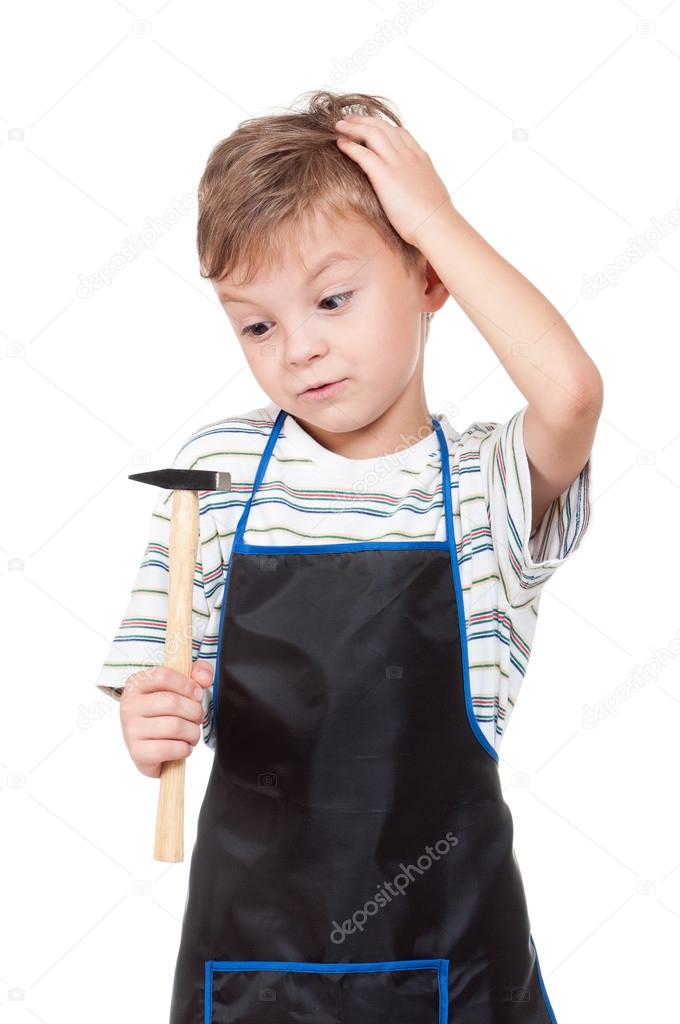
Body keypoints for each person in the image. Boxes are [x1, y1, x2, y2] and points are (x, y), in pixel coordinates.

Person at [96, 89, 601, 1022]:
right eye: (257, 324)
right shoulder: (216, 476)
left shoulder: (486, 485)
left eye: (333, 297)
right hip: (249, 972)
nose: (300, 349)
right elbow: (155, 691)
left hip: (457, 969)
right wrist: (150, 719)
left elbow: (569, 393)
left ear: (429, 280)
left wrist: (435, 221)